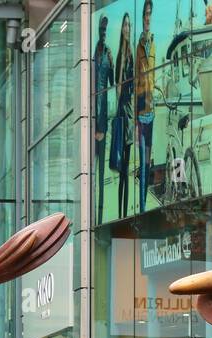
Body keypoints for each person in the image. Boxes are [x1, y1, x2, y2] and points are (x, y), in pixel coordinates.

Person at [134, 0, 156, 214]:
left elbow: (154, 75)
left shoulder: (154, 43)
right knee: (142, 162)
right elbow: (135, 81)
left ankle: (145, 205)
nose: (147, 17)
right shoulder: (139, 46)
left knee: (148, 163)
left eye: (150, 14)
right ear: (142, 18)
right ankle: (141, 208)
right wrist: (134, 119)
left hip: (152, 113)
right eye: (145, 14)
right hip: (141, 115)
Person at [112, 13, 134, 220]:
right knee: (123, 170)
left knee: (126, 169)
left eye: (129, 25)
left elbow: (131, 86)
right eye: (125, 25)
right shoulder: (121, 55)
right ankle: (121, 214)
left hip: (128, 112)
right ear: (121, 29)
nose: (127, 28)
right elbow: (118, 87)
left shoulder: (129, 54)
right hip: (123, 114)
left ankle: (124, 214)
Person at [93, 15, 115, 223]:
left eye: (105, 31)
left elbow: (112, 82)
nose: (103, 34)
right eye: (101, 30)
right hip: (91, 121)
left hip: (102, 120)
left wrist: (113, 64)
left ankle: (99, 218)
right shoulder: (92, 57)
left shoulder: (107, 55)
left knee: (100, 175)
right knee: (90, 174)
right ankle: (91, 216)